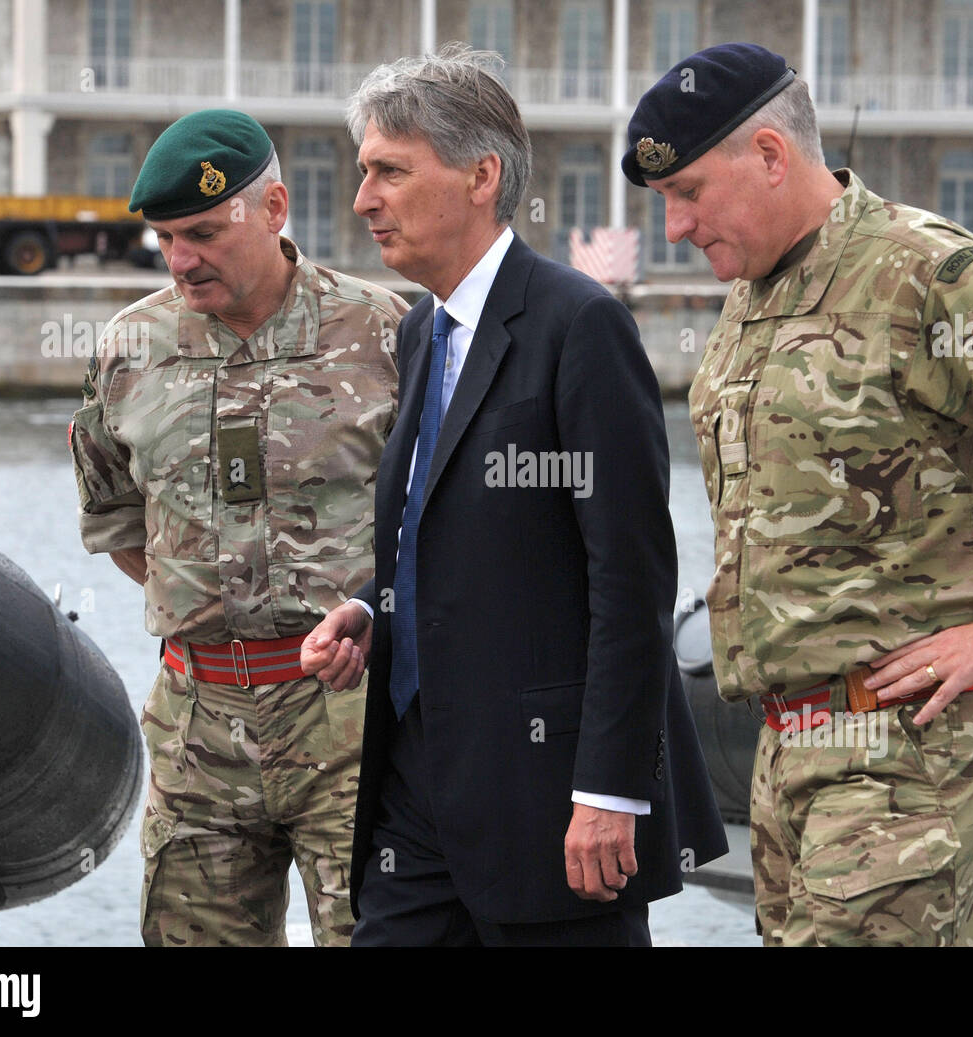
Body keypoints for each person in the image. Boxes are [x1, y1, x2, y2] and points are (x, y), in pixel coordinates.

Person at [622, 43, 973, 946]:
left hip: (909, 752)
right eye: (664, 204)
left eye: (688, 193)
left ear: (769, 156)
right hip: (786, 748)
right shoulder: (751, 298)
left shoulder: (929, 276)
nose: (676, 227)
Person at [300, 45, 727, 947]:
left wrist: (610, 790)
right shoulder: (422, 330)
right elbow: (460, 538)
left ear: (481, 176)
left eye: (389, 172)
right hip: (415, 798)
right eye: (362, 172)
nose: (363, 200)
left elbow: (630, 578)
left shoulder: (581, 325)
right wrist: (378, 612)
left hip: (556, 812)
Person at [69, 109, 406, 946]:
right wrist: (208, 607)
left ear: (274, 208)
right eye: (165, 239)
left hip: (353, 717)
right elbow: (115, 518)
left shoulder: (387, 334)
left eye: (205, 233)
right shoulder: (129, 350)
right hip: (198, 726)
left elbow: (439, 526)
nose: (183, 259)